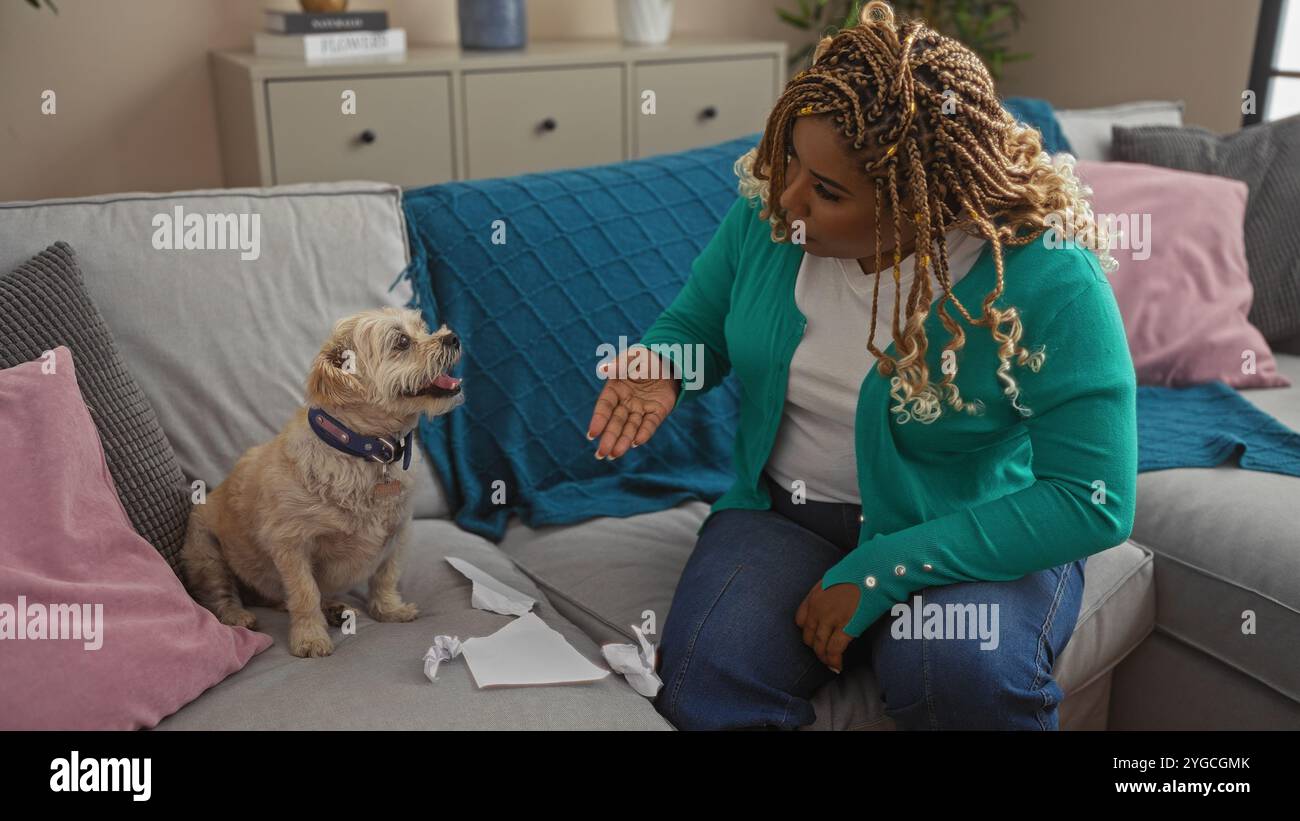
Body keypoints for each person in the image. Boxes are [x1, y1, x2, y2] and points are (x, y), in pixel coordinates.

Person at [585, 0, 1135, 730]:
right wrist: (667, 363)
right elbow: (703, 324)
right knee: (706, 676)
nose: (785, 201)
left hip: (968, 525)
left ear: (925, 206)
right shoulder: (769, 212)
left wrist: (880, 573)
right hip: (788, 517)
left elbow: (1090, 496)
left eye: (827, 190)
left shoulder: (1045, 276)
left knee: (957, 674)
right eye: (790, 162)